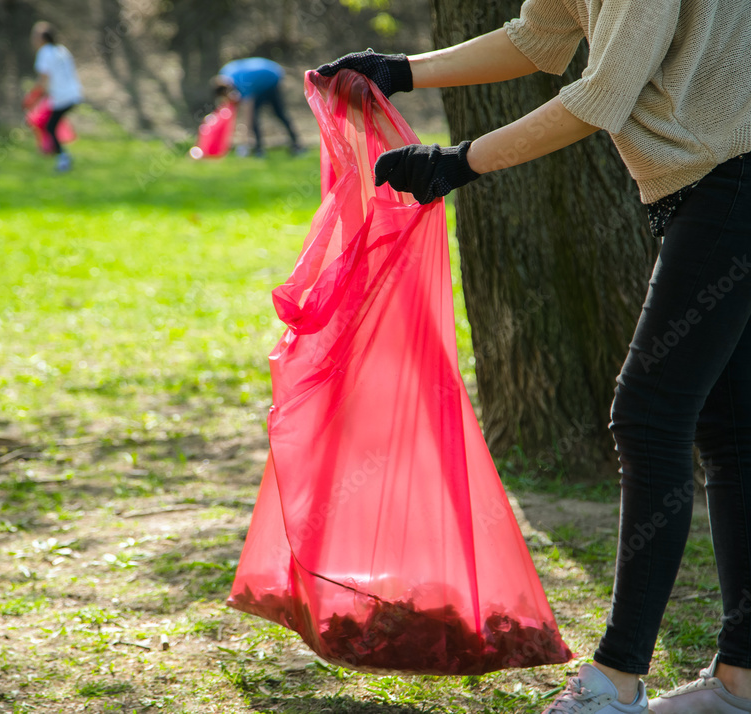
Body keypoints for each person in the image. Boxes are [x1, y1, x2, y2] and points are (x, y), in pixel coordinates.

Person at [318, 1, 751, 712]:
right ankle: (741, 682)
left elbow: (601, 96)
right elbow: (539, 36)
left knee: (650, 415)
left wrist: (458, 161)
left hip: (731, 177)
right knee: (729, 429)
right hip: (710, 181)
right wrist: (400, 71)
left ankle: (616, 680)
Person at [212, 57, 302, 157]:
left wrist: (244, 141)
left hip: (271, 79)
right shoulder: (225, 73)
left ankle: (261, 149)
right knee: (275, 114)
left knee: (273, 114)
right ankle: (260, 148)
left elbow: (248, 112)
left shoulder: (242, 83)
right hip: (268, 71)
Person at [27, 21, 83, 173]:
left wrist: (32, 97)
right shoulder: (62, 50)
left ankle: (62, 158)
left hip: (61, 97)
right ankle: (56, 152)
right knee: (51, 124)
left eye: (35, 36)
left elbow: (43, 80)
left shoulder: (45, 52)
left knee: (50, 126)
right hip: (73, 94)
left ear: (42, 38)